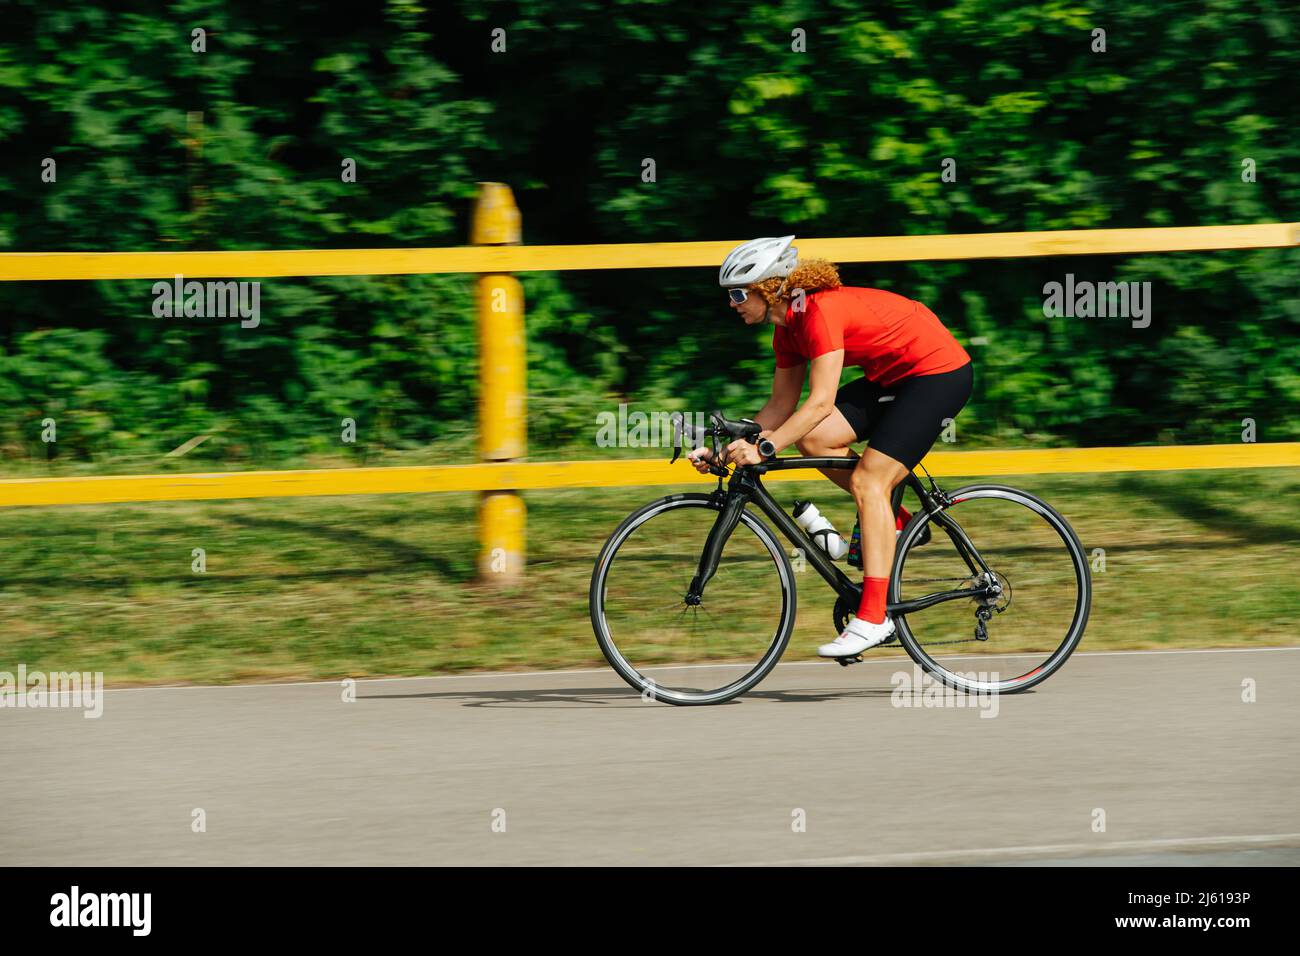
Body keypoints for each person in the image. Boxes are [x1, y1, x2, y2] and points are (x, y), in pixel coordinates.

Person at [687, 235, 973, 657]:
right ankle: (897, 519)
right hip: (894, 377)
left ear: (769, 288)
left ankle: (875, 618)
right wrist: (728, 449)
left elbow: (820, 401)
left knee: (869, 482)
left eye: (738, 293)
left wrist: (764, 448)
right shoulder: (786, 331)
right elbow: (781, 406)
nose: (732, 303)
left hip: (936, 373)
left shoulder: (818, 313)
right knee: (815, 440)